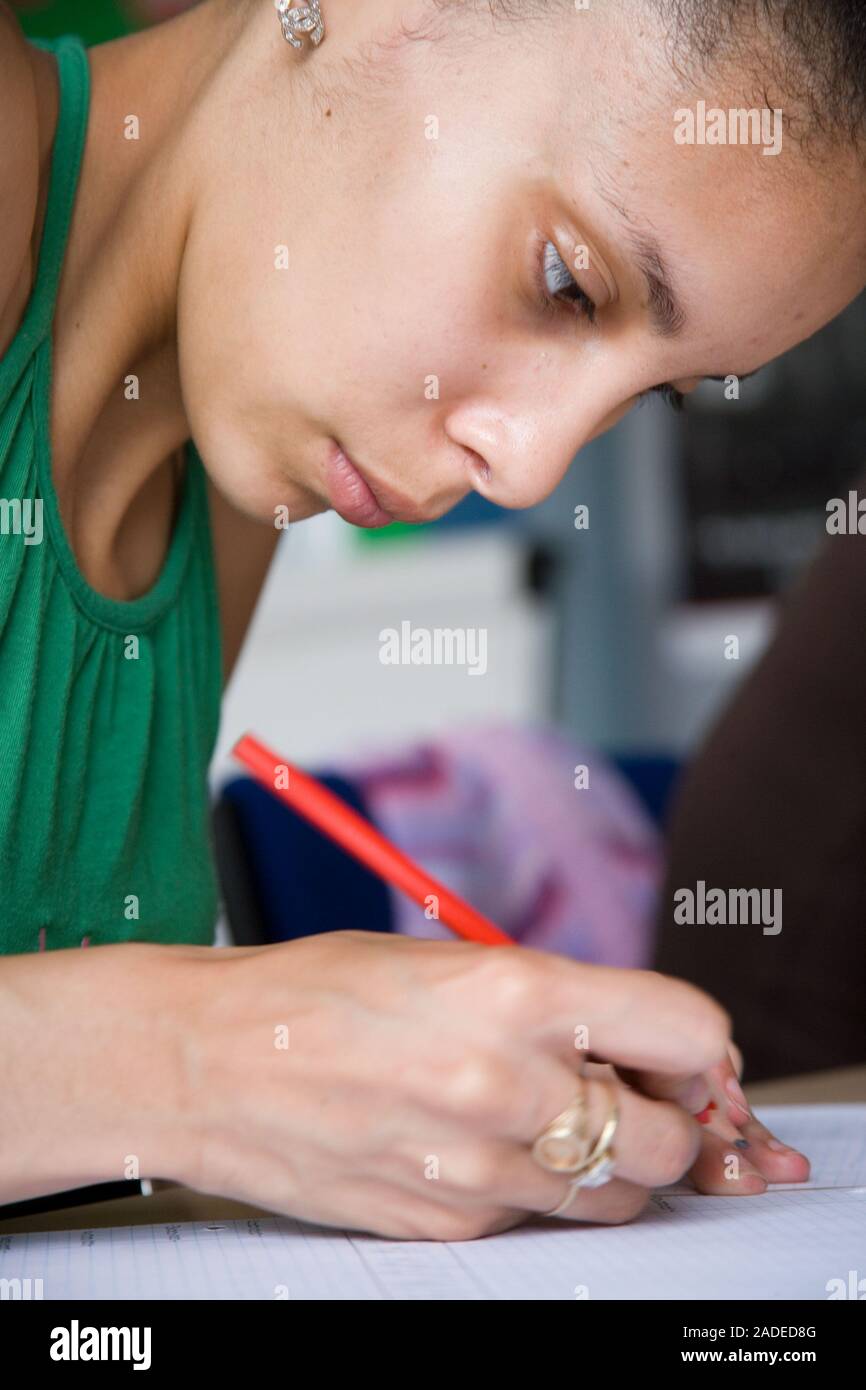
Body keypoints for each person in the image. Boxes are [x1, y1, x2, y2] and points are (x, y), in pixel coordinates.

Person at [0, 0, 862, 1241]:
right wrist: (210, 1060)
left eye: (650, 399)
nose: (528, 467)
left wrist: (452, 1076)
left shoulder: (229, 472)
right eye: (566, 281)